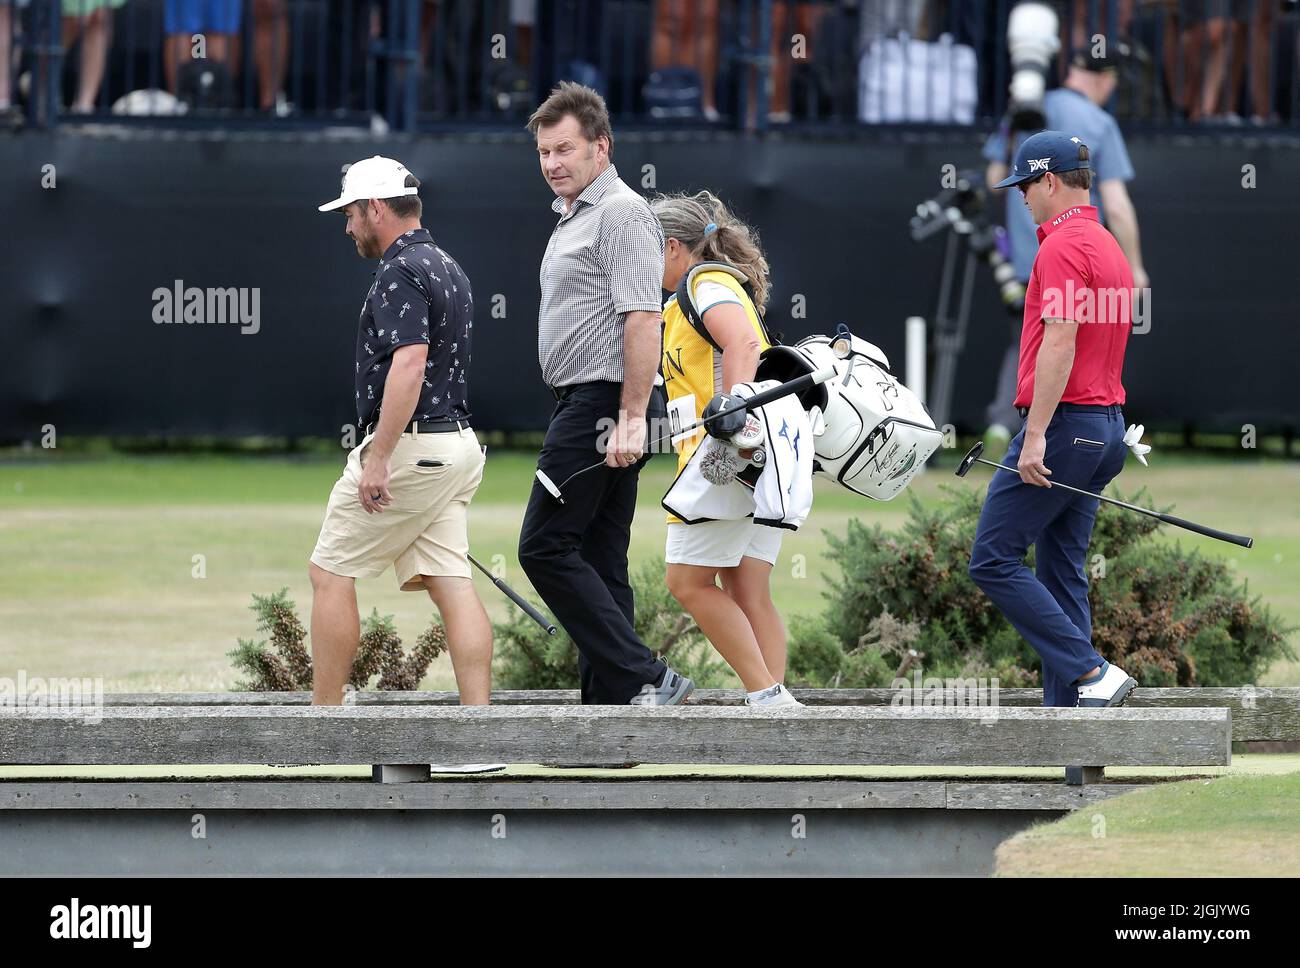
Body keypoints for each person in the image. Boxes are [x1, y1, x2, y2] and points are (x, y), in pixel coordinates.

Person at [517, 82, 693, 706]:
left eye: (564, 149)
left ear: (601, 147)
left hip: (605, 403)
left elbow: (642, 317)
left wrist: (628, 418)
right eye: (543, 153)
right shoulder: (577, 215)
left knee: (542, 546)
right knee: (598, 558)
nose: (552, 163)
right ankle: (611, 723)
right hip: (593, 402)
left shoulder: (619, 212)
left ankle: (646, 676)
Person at [311, 156, 496, 729]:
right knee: (451, 582)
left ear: (375, 208)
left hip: (414, 448)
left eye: (350, 213)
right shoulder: (448, 265)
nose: (347, 227)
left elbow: (409, 365)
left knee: (330, 573)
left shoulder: (397, 271)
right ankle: (478, 735)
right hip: (459, 447)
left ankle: (319, 727)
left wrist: (379, 457)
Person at [968, 130, 1139, 710]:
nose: (1020, 198)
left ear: (1048, 181)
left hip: (1067, 426)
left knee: (992, 557)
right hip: (1104, 427)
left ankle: (1092, 672)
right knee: (1063, 573)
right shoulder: (1107, 244)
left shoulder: (1062, 247)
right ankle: (1072, 739)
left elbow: (1060, 344)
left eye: (1024, 186)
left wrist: (1035, 434)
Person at [651, 191, 799, 708]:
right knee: (745, 586)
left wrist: (733, 414)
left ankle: (765, 695)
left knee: (686, 581)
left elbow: (743, 344)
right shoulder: (695, 291)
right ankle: (777, 707)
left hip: (725, 460)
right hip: (758, 456)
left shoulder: (704, 282)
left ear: (672, 247)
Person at [982, 46, 1147, 452]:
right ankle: (1047, 430)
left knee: (1039, 338)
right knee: (1069, 337)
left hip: (1029, 257)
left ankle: (1015, 426)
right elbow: (1119, 205)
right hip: (1089, 257)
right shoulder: (1100, 123)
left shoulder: (1026, 105)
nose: (1024, 194)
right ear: (1107, 79)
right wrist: (1134, 267)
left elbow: (993, 176)